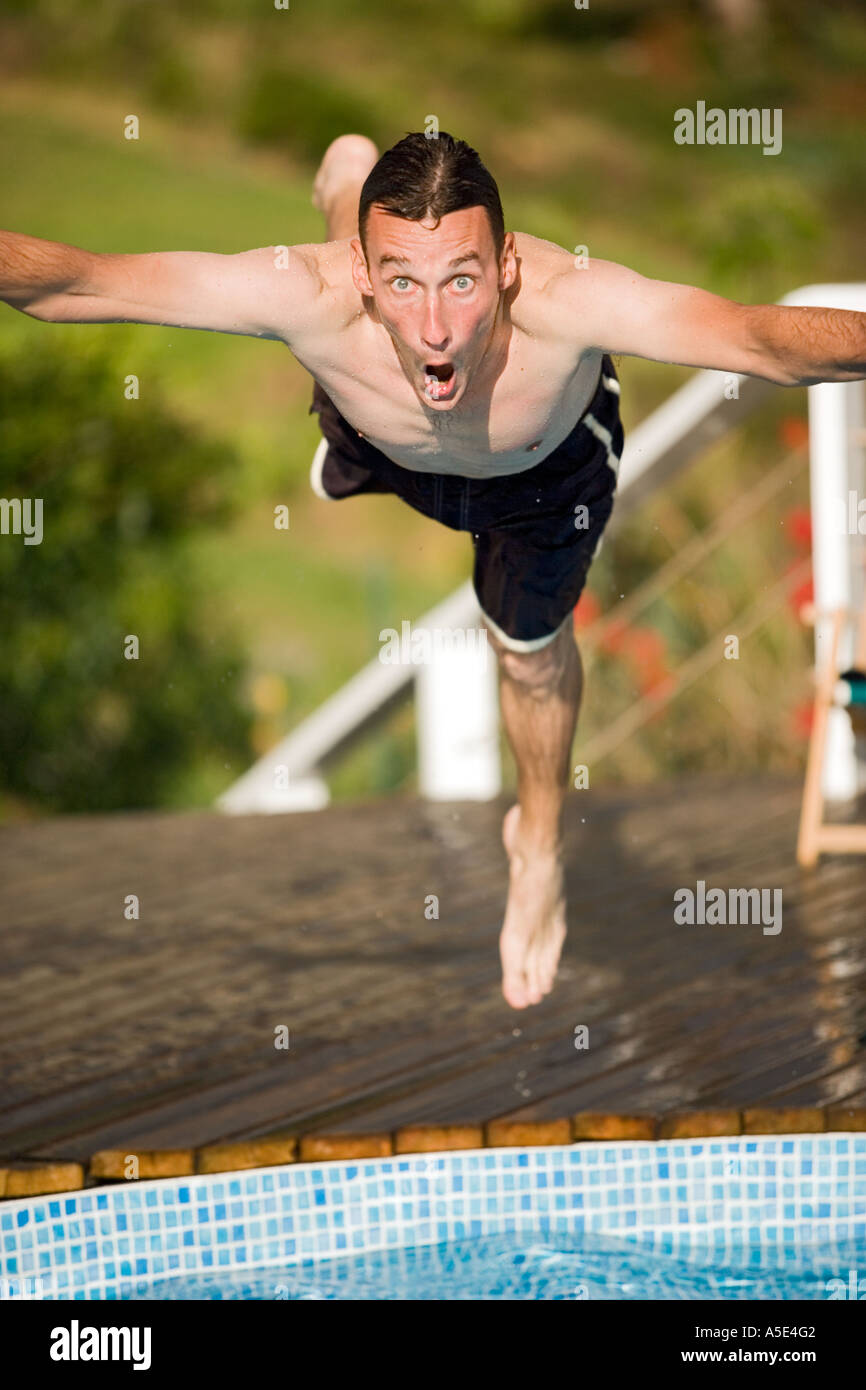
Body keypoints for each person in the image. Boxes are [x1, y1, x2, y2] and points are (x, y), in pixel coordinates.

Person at [2, 131, 864, 1009]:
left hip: (538, 481)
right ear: (366, 276)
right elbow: (80, 282)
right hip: (381, 432)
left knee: (529, 655)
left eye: (463, 278)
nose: (436, 328)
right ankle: (348, 185)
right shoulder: (309, 288)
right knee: (341, 306)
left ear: (508, 266)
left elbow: (764, 342)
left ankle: (536, 849)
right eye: (403, 282)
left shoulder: (570, 300)